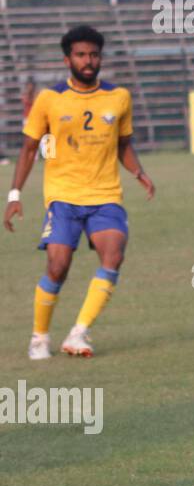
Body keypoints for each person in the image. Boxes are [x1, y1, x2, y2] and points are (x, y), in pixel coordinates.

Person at [4, 26, 156, 359]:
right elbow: (29, 149)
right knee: (58, 266)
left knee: (113, 255)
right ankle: (40, 337)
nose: (89, 61)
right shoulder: (50, 99)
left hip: (105, 196)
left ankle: (78, 333)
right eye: (81, 55)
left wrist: (138, 172)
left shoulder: (119, 97)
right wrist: (14, 195)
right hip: (63, 196)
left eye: (94, 55)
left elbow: (124, 144)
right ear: (67, 59)